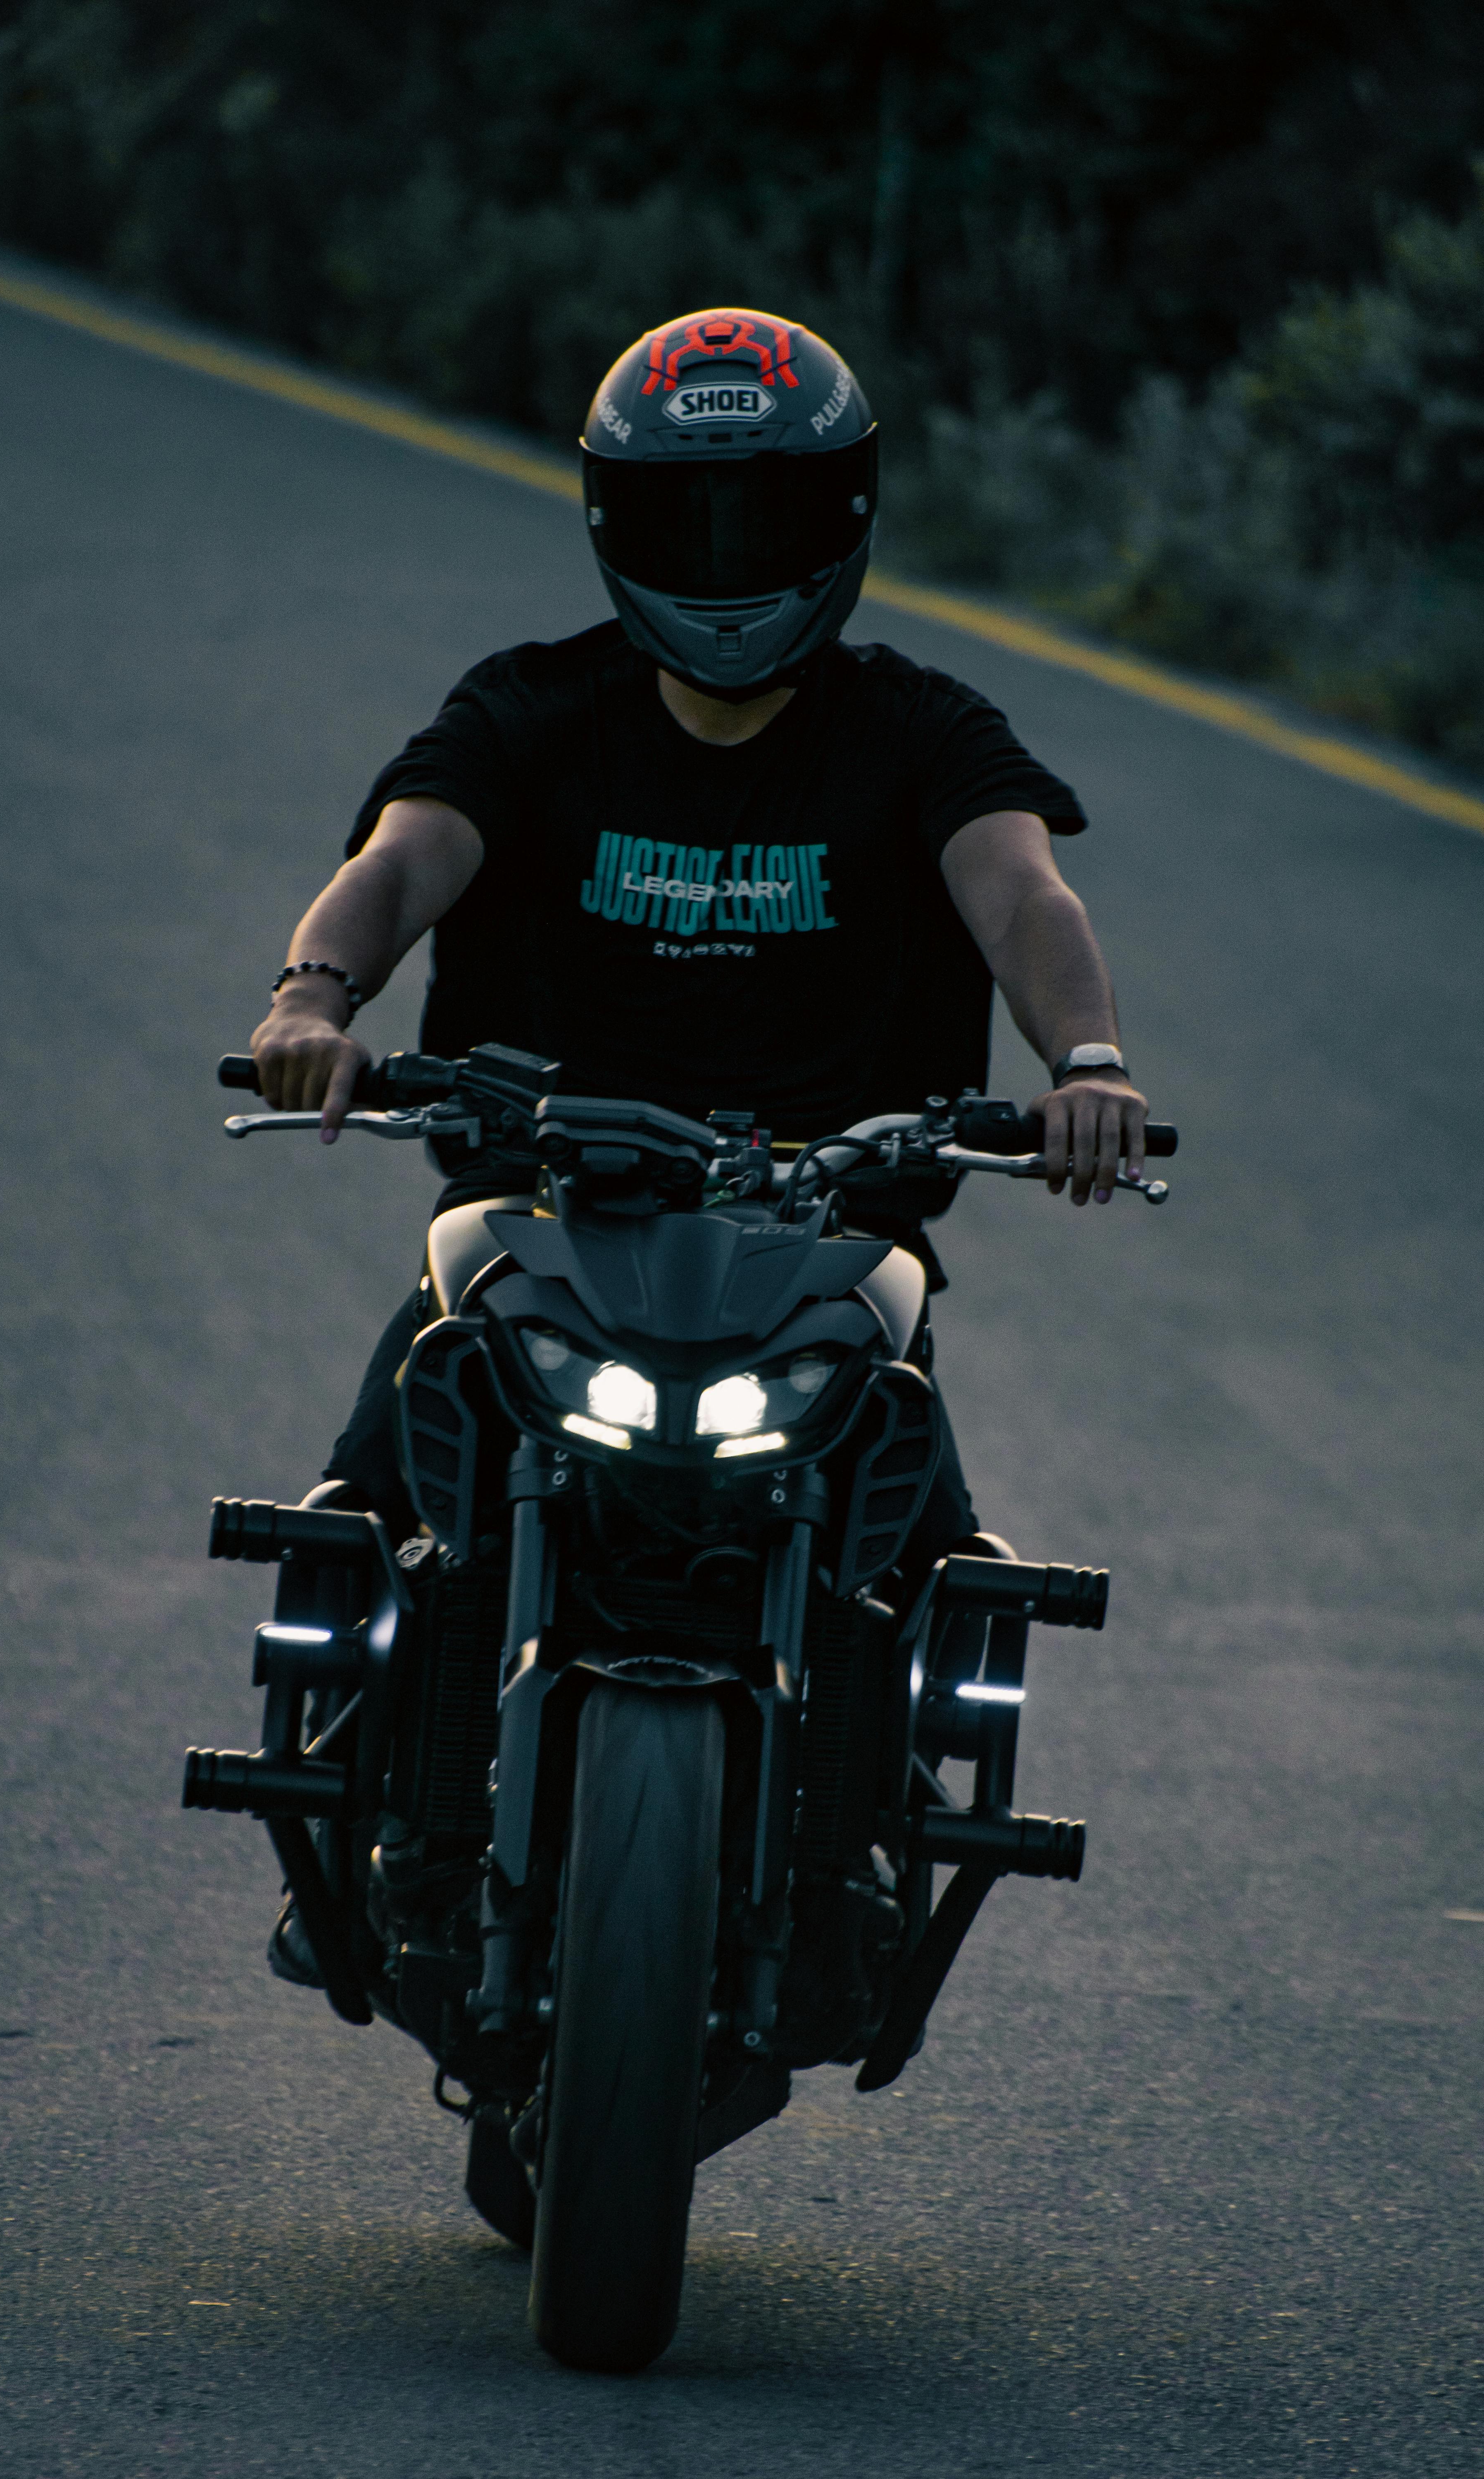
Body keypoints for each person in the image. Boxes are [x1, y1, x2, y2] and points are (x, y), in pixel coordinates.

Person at [250, 308, 1147, 1981]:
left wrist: (1084, 1059)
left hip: (828, 1233)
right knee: (365, 1494)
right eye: (686, 520)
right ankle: (345, 1808)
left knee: (938, 1558)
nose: (728, 565)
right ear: (611, 526)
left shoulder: (927, 732)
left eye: (770, 517)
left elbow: (1024, 894)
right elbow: (399, 859)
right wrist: (313, 997)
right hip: (541, 1209)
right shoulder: (523, 712)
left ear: (851, 522)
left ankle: (863, 1839)